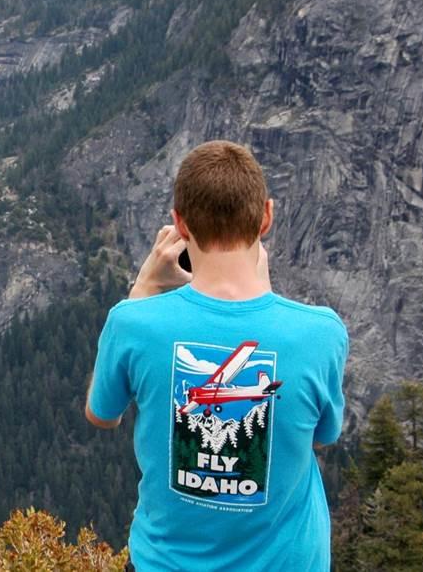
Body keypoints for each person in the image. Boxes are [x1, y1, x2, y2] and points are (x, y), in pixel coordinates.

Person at [85, 140, 348, 571]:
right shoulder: (321, 333)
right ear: (266, 217)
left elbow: (103, 414)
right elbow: (322, 436)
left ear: (180, 225)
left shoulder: (131, 322)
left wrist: (143, 290)